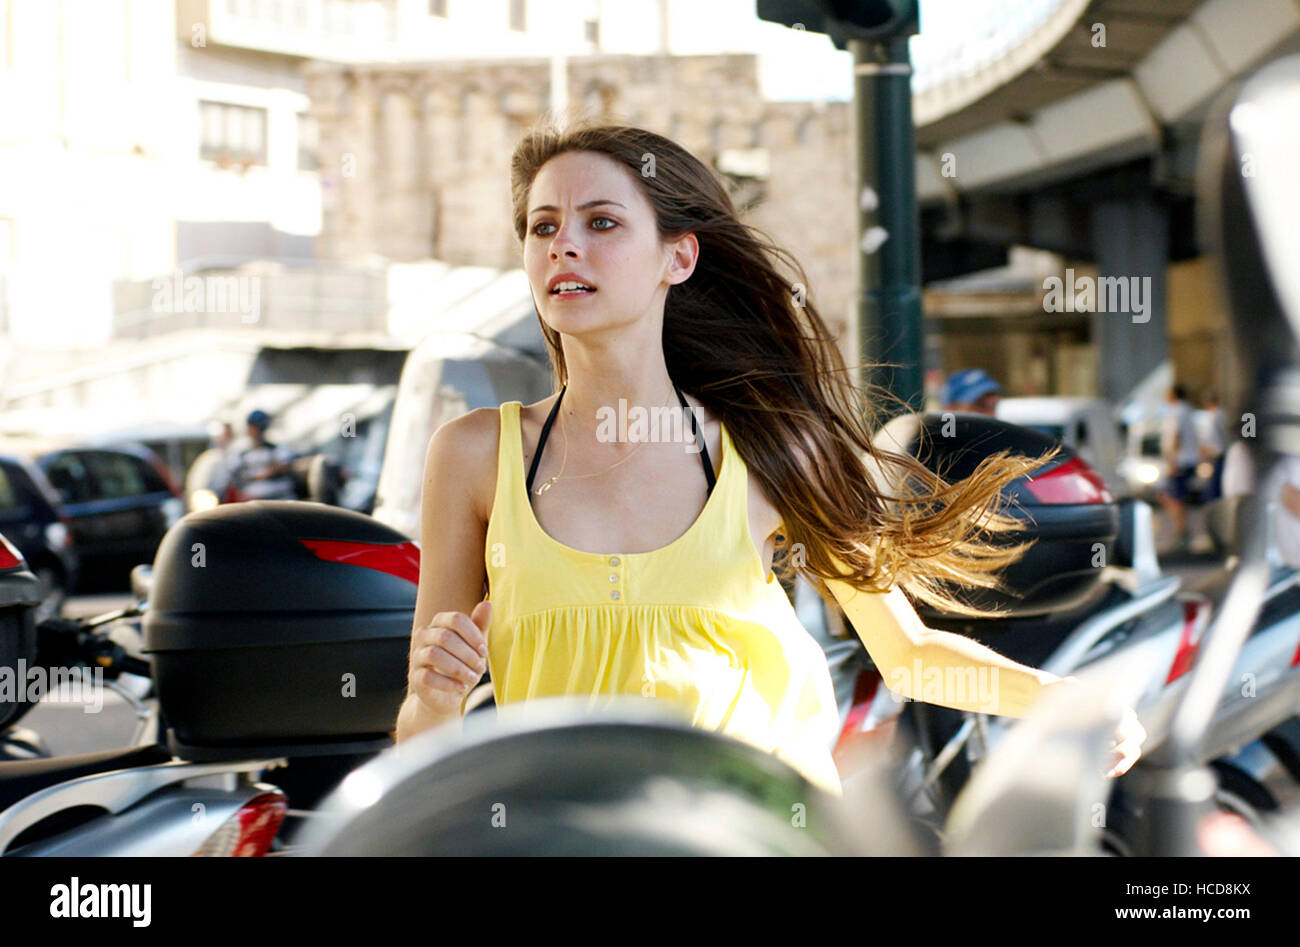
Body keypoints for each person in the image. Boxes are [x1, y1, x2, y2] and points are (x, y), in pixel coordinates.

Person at [393, 121, 1145, 795]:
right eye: (543, 226)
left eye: (602, 222)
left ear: (678, 257)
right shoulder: (474, 455)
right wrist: (432, 700)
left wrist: (1063, 697)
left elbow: (908, 656)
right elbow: (419, 739)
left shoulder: (764, 444)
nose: (563, 244)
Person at [1157, 384, 1202, 553]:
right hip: (1186, 460)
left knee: (1173, 497)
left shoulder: (1178, 411)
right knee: (1176, 497)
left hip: (1180, 462)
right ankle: (1183, 531)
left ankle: (1181, 532)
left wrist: (1172, 462)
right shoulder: (1187, 410)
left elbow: (1176, 436)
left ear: (1174, 395)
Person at [227, 409, 297, 501]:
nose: (254, 430)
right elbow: (235, 476)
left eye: (256, 427)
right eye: (251, 427)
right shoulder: (243, 453)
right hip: (253, 499)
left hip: (279, 497)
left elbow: (283, 466)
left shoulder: (276, 447)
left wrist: (262, 474)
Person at [1196, 389, 1227, 502]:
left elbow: (1212, 439)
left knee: (1214, 491)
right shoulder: (1218, 415)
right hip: (1216, 456)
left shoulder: (1215, 417)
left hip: (1219, 456)